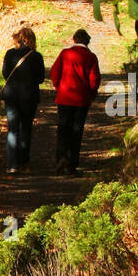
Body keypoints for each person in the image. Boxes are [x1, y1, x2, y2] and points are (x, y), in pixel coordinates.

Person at [50, 28, 101, 175]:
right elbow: (94, 80)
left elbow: (55, 72)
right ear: (87, 41)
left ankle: (61, 157)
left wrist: (58, 86)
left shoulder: (65, 54)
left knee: (63, 129)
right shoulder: (91, 57)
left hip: (65, 97)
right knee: (77, 131)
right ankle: (72, 164)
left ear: (74, 39)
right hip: (81, 100)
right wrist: (91, 94)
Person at [1, 25, 45, 173]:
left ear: (18, 39)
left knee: (12, 130)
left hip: (11, 96)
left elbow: (6, 73)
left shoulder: (9, 54)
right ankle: (24, 162)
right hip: (29, 97)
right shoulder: (36, 56)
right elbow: (40, 78)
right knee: (26, 128)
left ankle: (13, 164)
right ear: (32, 39)